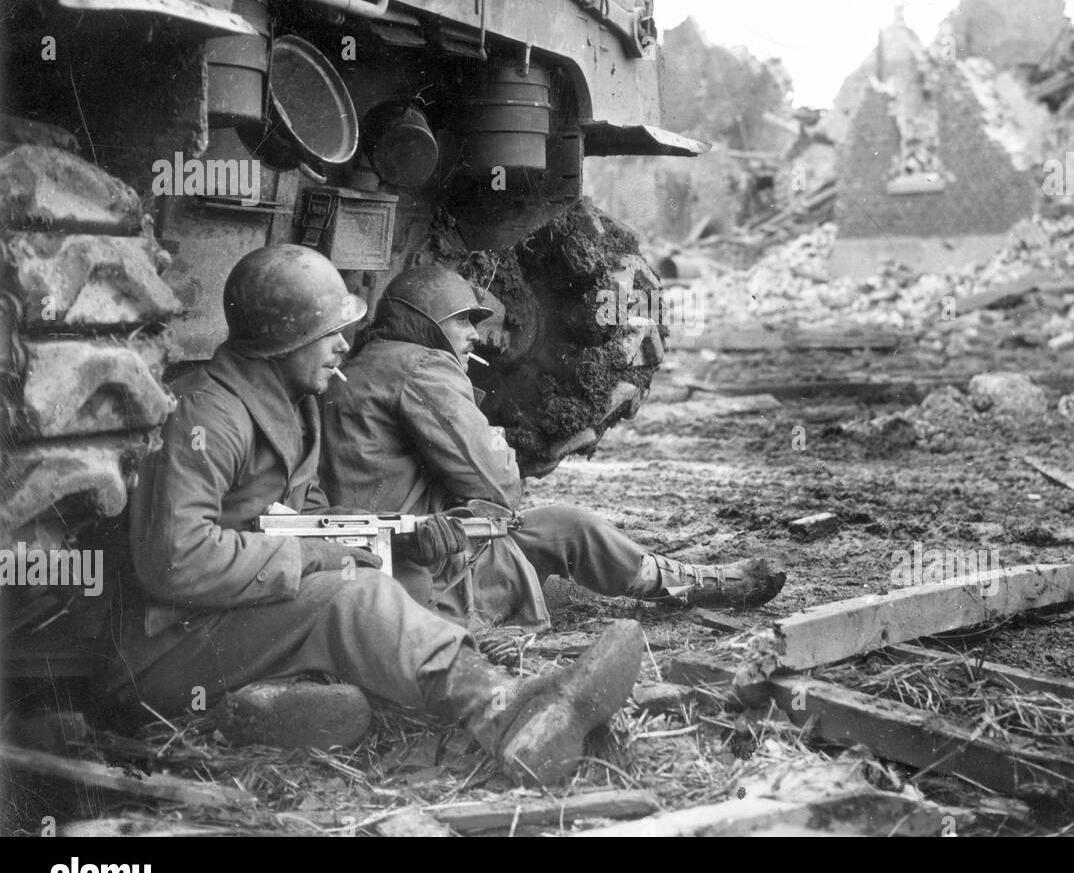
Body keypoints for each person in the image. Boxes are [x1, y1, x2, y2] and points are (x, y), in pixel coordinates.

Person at [97, 244, 642, 786]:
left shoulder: (294, 407)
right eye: (327, 334)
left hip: (232, 614)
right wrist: (311, 558)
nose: (342, 345)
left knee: (374, 585)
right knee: (353, 597)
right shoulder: (207, 417)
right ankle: (507, 712)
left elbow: (305, 518)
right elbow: (174, 559)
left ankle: (281, 712)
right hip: (164, 651)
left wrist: (396, 537)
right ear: (282, 342)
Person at [318, 264, 786, 632]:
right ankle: (693, 585)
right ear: (429, 322)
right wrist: (493, 440)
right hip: (427, 571)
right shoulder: (422, 366)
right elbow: (498, 485)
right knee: (571, 533)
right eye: (463, 322)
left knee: (567, 525)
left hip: (397, 557)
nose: (475, 336)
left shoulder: (370, 366)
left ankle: (684, 582)